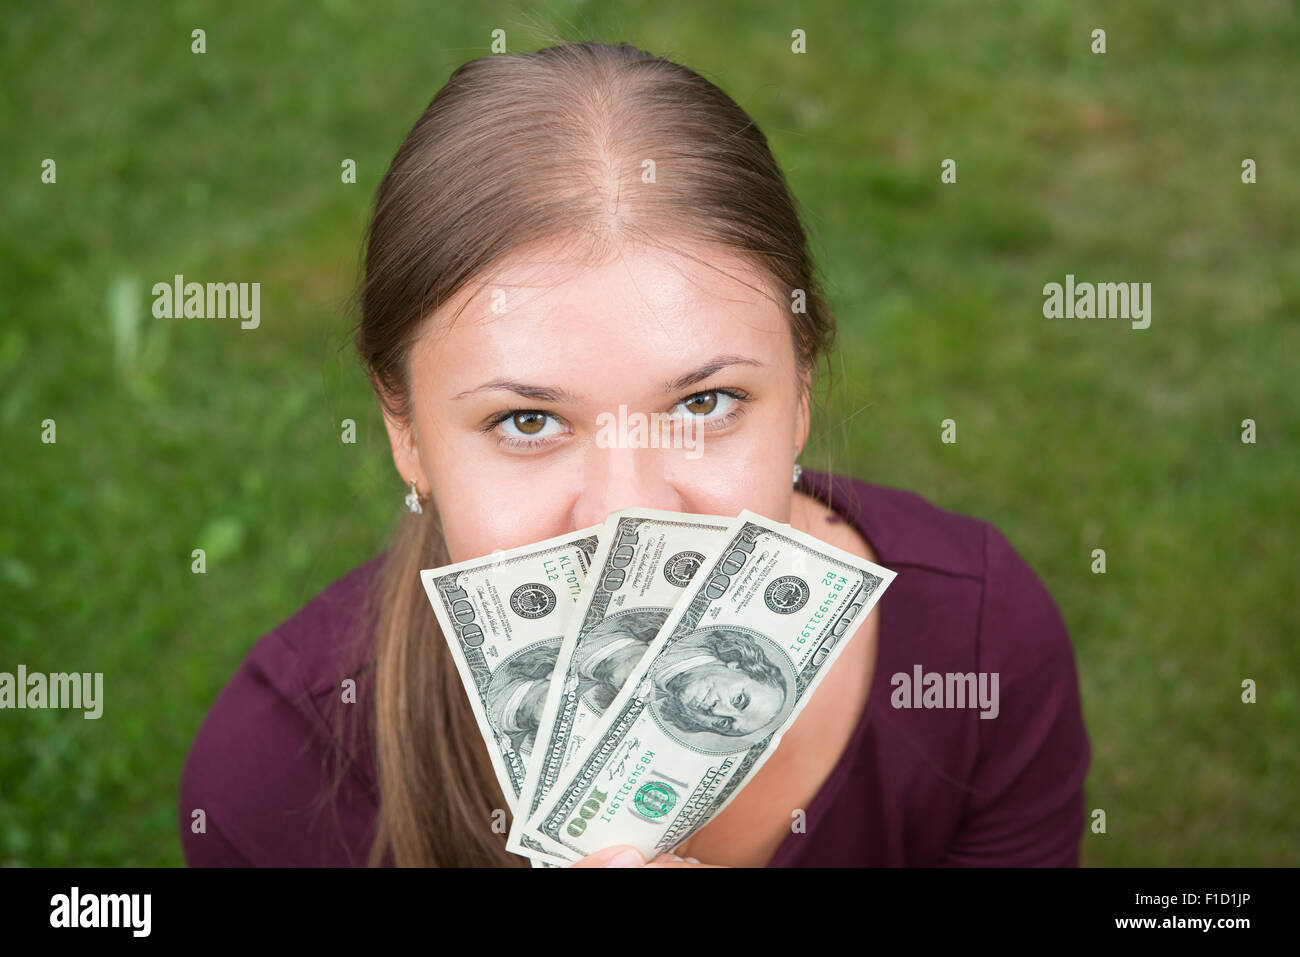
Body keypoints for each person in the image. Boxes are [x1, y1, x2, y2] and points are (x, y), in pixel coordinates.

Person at [179, 40, 1090, 868]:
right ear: (404, 431)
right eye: (527, 420)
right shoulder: (275, 780)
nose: (626, 518)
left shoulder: (980, 647)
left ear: (802, 391)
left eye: (704, 402)